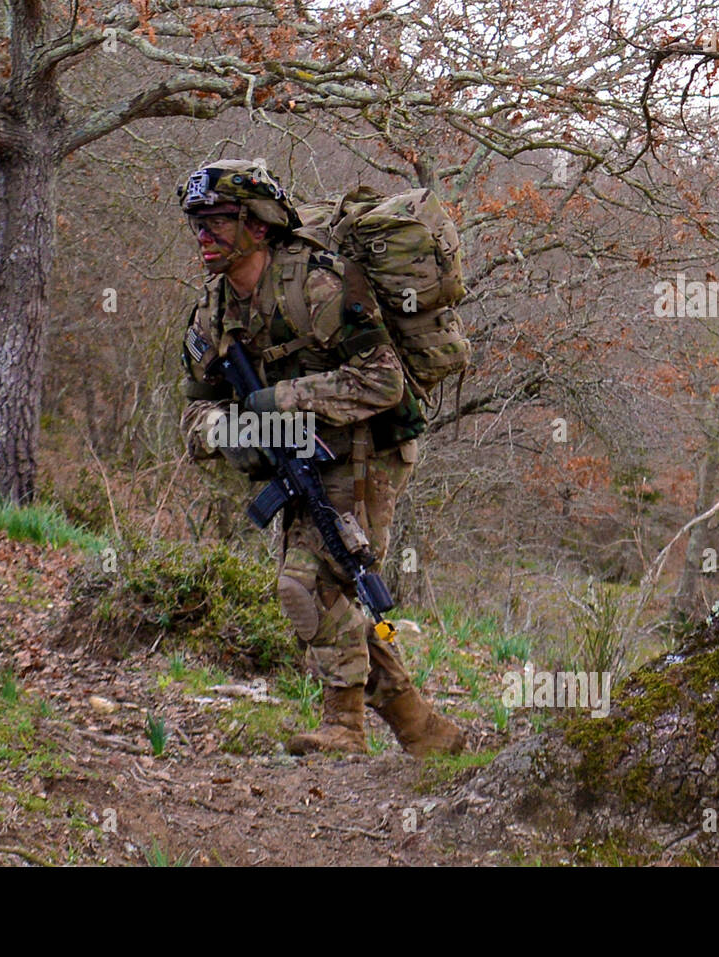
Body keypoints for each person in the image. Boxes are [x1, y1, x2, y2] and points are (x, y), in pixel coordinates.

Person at [176, 159, 465, 758]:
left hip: (368, 444)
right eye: (196, 223)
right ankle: (422, 732)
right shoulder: (213, 313)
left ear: (256, 225)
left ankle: (346, 727)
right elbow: (194, 415)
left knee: (307, 584)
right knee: (327, 589)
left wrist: (280, 400)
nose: (203, 235)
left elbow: (385, 383)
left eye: (217, 222)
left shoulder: (320, 286)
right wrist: (227, 428)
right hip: (300, 453)